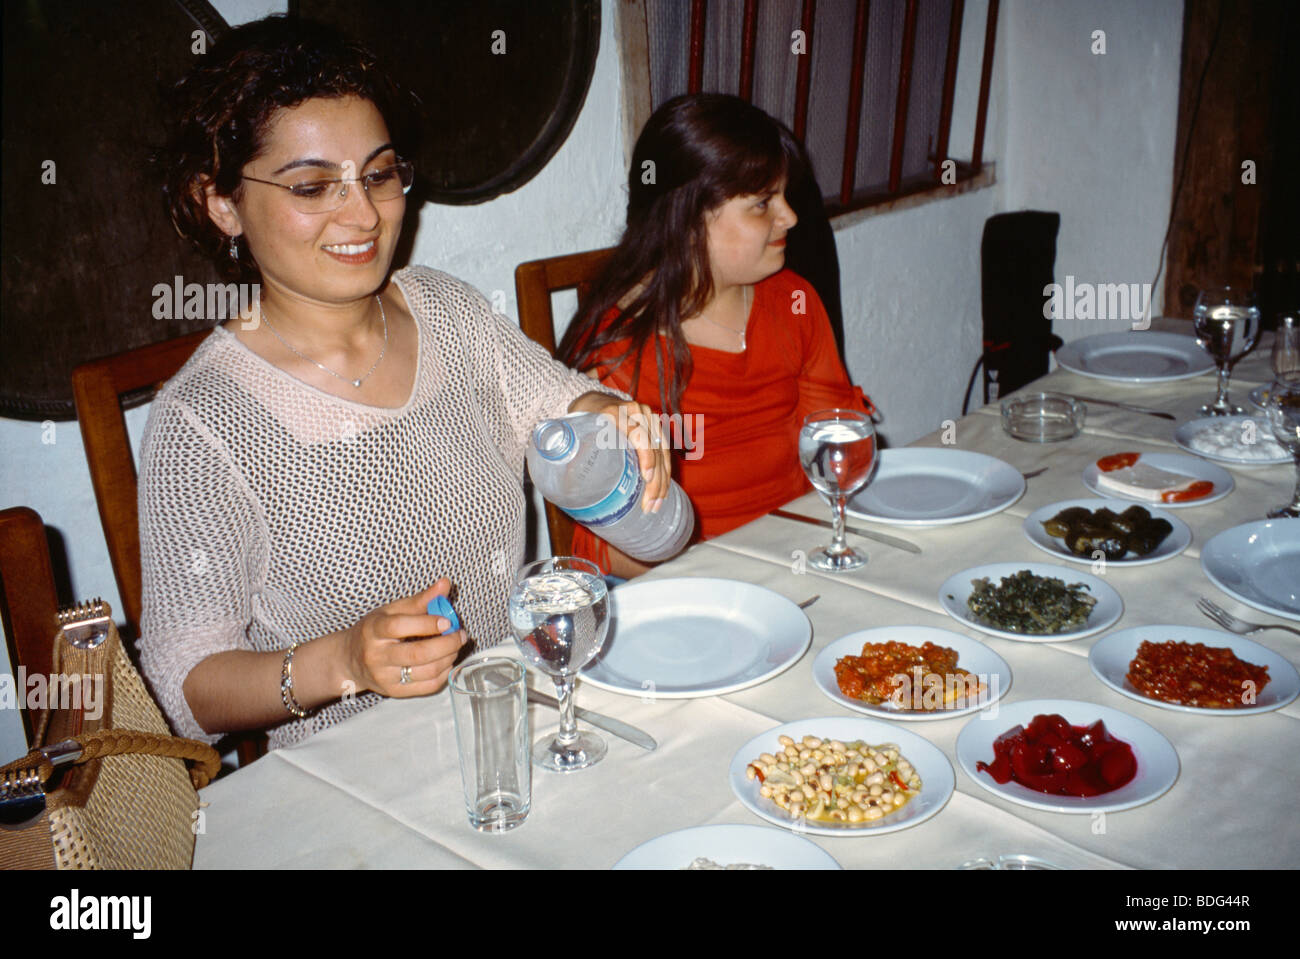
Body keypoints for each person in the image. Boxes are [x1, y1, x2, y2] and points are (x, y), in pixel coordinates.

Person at [140, 16, 668, 750]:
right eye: (313, 185)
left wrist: (610, 413)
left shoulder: (444, 310)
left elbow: (558, 399)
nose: (363, 214)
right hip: (355, 787)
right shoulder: (204, 421)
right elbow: (186, 684)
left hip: (516, 723)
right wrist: (343, 659)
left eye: (379, 174)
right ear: (221, 202)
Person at [558, 93, 873, 578]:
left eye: (784, 197)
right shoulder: (620, 352)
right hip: (679, 583)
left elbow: (833, 446)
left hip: (794, 557)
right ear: (687, 221)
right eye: (763, 204)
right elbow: (612, 543)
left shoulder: (794, 302)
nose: (789, 217)